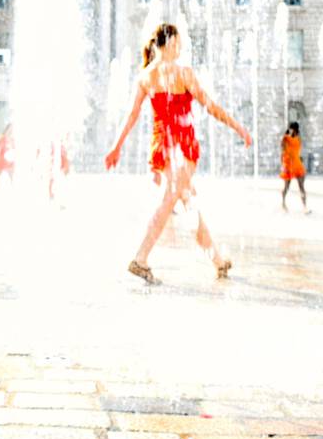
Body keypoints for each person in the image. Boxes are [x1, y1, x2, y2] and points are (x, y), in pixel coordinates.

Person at [105, 23, 252, 286]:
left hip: (162, 145)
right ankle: (140, 258)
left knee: (186, 202)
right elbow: (210, 106)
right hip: (181, 146)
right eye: (179, 42)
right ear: (169, 41)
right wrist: (238, 127)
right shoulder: (183, 73)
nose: (181, 47)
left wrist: (116, 146)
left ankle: (218, 261)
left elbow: (131, 115)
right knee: (169, 200)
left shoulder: (145, 76)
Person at [279, 121, 309, 213]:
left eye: (293, 129)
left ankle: (305, 207)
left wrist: (299, 157)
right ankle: (283, 203)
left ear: (296, 130)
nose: (291, 130)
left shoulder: (298, 139)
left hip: (297, 164)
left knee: (301, 187)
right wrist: (283, 162)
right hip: (288, 164)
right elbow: (283, 151)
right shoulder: (285, 138)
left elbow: (296, 151)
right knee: (286, 187)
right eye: (290, 129)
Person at [0, 124, 16, 190]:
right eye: (9, 129)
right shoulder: (1, 138)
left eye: (12, 129)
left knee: (12, 176)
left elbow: (14, 149)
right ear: (6, 129)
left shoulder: (12, 139)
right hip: (1, 159)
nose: (11, 131)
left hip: (9, 160)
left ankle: (13, 190)